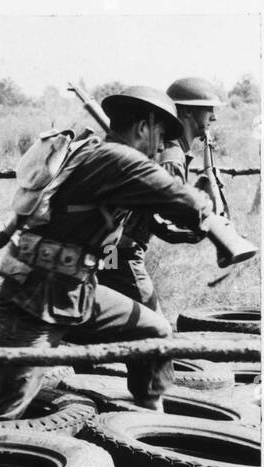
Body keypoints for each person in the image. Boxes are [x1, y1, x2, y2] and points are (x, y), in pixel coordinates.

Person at [0, 86, 213, 421]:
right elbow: (185, 203)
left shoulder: (98, 151)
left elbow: (151, 218)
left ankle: (148, 417)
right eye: (161, 134)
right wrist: (207, 206)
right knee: (0, 410)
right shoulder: (118, 159)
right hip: (37, 300)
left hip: (78, 291)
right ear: (143, 127)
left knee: (153, 331)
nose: (161, 144)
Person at [97, 77, 223, 400]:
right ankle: (151, 403)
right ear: (190, 115)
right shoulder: (171, 156)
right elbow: (162, 218)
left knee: (125, 314)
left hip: (113, 249)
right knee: (155, 327)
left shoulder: (172, 152)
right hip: (122, 251)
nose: (213, 118)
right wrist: (201, 228)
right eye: (208, 111)